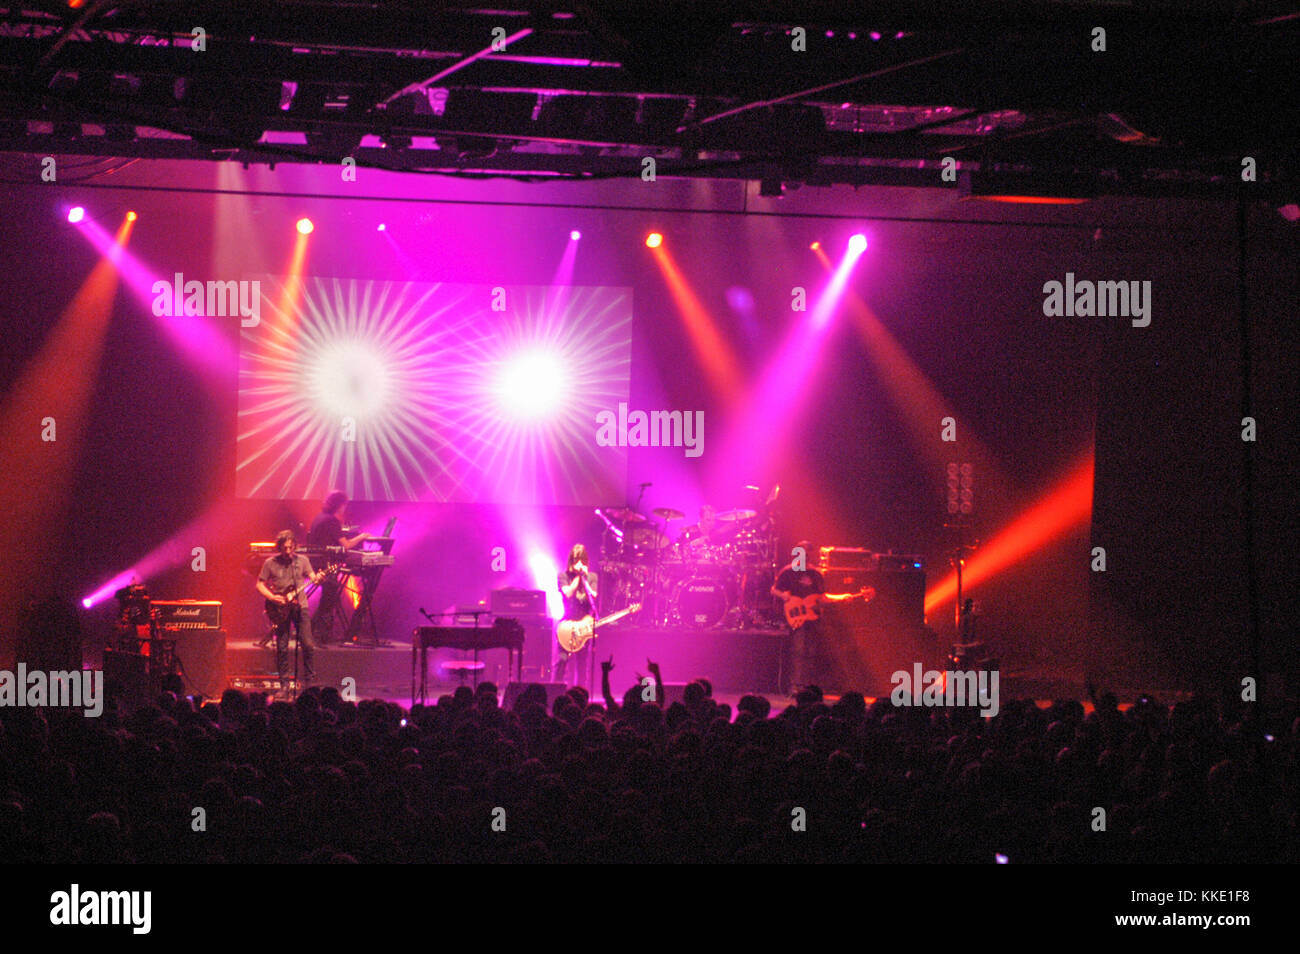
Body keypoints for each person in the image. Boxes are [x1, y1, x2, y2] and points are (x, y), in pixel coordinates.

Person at [256, 530, 327, 694]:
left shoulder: (302, 560)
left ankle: (310, 684)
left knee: (308, 644)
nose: (288, 551)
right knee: (282, 647)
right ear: (279, 547)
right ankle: (284, 685)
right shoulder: (270, 563)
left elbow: (312, 576)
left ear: (294, 545)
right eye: (284, 548)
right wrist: (272, 597)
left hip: (300, 606)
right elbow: (259, 584)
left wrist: (319, 578)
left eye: (290, 547)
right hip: (280, 609)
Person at [307, 491, 369, 644]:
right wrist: (362, 537)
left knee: (329, 596)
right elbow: (346, 545)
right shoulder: (331, 521)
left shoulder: (319, 517)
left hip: (314, 564)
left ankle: (311, 629)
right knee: (330, 596)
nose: (345, 508)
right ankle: (317, 632)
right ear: (339, 505)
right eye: (344, 505)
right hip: (324, 566)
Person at [554, 543, 599, 687]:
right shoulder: (564, 576)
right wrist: (578, 578)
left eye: (581, 560)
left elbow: (594, 596)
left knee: (582, 664)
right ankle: (556, 691)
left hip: (584, 626)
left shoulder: (592, 577)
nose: (578, 564)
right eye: (575, 560)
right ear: (571, 562)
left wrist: (584, 579)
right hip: (567, 624)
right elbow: (568, 593)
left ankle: (580, 694)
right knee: (562, 660)